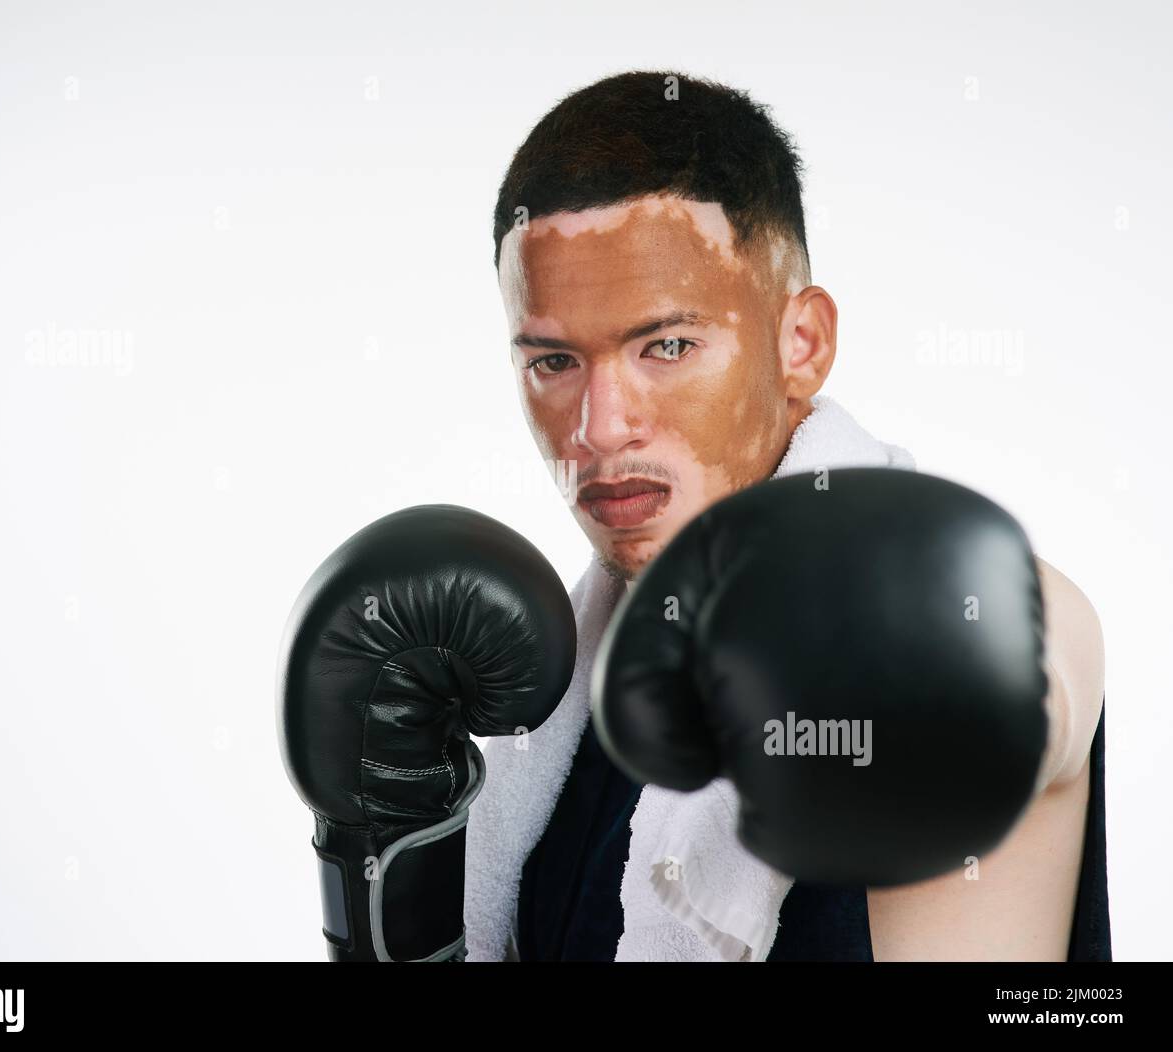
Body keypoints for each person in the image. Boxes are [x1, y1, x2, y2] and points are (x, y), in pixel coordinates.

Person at [465, 69, 1109, 962]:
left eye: (667, 345)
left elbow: (1041, 651)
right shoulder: (559, 710)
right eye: (552, 363)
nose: (599, 427)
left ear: (800, 343)